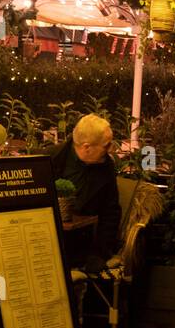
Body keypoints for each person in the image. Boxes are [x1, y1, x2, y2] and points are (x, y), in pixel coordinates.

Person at [50, 114, 122, 271]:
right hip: (48, 245)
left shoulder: (106, 166)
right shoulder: (50, 160)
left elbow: (111, 213)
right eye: (106, 145)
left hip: (85, 246)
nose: (111, 149)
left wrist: (100, 253)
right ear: (86, 147)